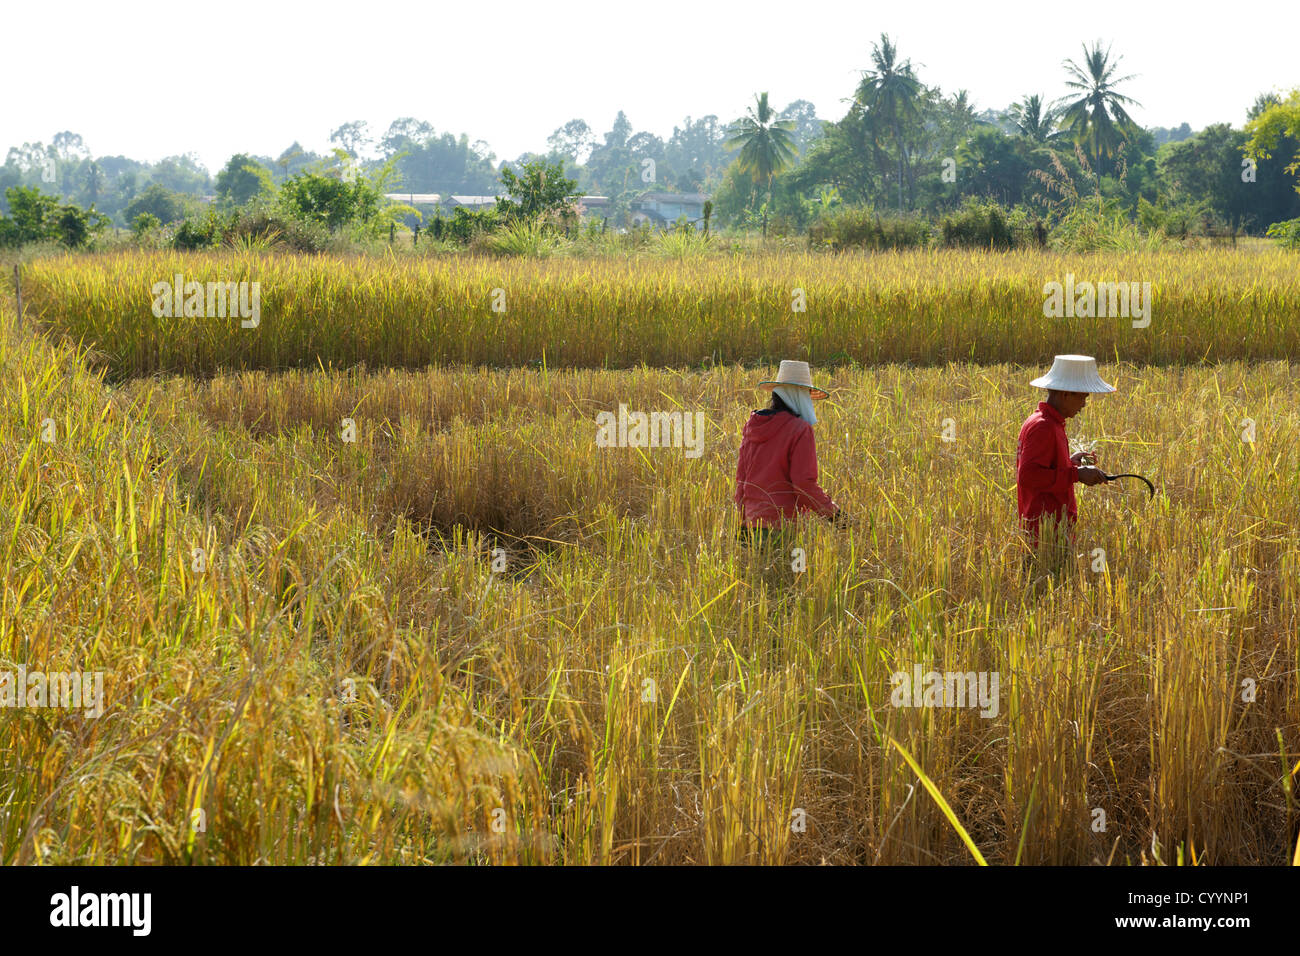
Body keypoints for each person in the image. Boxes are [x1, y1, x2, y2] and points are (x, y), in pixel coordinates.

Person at [1016, 354, 1113, 564]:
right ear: (1066, 394)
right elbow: (1028, 475)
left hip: (1051, 529)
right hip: (1045, 535)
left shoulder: (1046, 422)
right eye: (1083, 397)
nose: (1085, 404)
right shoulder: (1044, 427)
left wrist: (1071, 462)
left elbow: (1043, 468)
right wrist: (1076, 474)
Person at [735, 360, 842, 540]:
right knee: (787, 568)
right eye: (807, 394)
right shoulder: (799, 430)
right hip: (781, 525)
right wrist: (835, 515)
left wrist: (743, 521)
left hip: (752, 524)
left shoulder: (752, 426)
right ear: (798, 394)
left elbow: (741, 480)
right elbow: (803, 484)